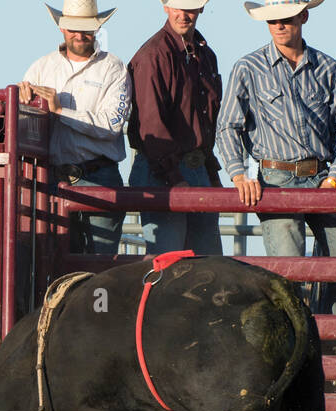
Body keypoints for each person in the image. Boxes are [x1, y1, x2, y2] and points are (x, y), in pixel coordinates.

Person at [217, 0, 336, 279]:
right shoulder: (248, 67)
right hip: (275, 177)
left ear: (303, 17)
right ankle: (302, 322)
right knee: (289, 270)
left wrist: (334, 176)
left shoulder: (327, 68)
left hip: (322, 174)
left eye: (286, 18)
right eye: (272, 20)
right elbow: (227, 125)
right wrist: (238, 175)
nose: (279, 25)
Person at [19, 0, 131, 255]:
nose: (80, 35)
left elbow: (112, 125)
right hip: (54, 178)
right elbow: (23, 128)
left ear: (96, 29)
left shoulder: (113, 67)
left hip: (97, 177)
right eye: (73, 28)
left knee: (96, 265)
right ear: (62, 28)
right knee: (52, 261)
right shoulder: (40, 68)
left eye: (87, 29)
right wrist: (23, 103)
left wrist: (59, 110)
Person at [126, 0, 223, 256]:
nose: (183, 15)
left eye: (190, 7)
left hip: (195, 168)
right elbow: (151, 124)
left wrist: (211, 171)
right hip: (161, 170)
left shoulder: (205, 55)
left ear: (201, 8)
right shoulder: (153, 55)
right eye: (178, 7)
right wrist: (174, 177)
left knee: (207, 267)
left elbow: (207, 121)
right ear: (166, 7)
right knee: (168, 265)